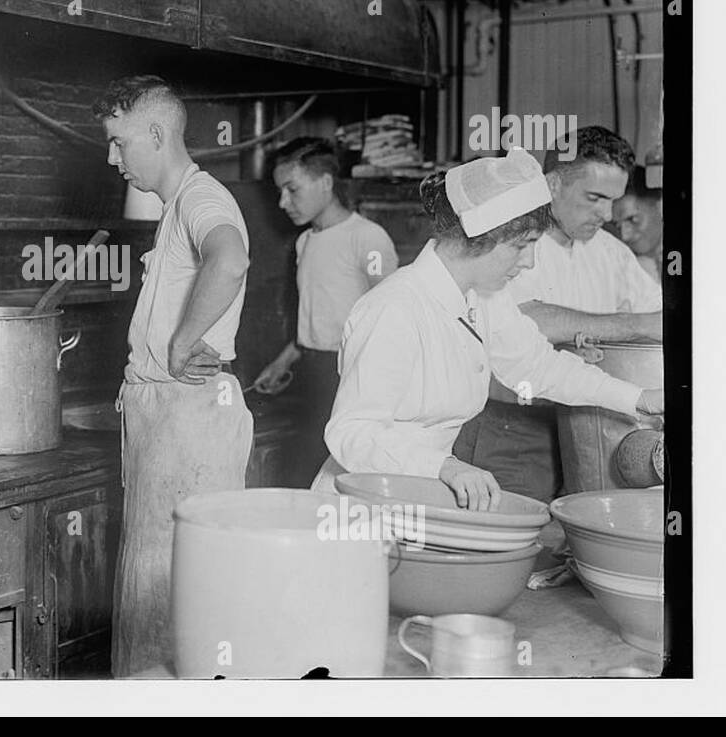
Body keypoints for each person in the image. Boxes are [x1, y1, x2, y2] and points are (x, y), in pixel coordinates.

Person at [315, 148, 663, 509]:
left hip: (419, 495)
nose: (529, 262)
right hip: (359, 502)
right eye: (522, 246)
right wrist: (445, 467)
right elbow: (352, 430)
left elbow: (541, 367)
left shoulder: (484, 298)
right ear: (482, 237)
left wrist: (639, 399)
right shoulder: (394, 308)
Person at [93, 75, 253, 678]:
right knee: (162, 588)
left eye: (118, 142)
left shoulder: (199, 198)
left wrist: (185, 340)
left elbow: (230, 258)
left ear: (156, 134)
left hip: (187, 425)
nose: (113, 159)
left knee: (173, 593)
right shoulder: (178, 204)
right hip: (172, 423)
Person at [454, 127, 662, 501]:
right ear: (552, 185)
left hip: (590, 422)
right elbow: (522, 320)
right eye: (595, 198)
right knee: (515, 538)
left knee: (581, 539)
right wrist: (631, 325)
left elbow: (657, 319)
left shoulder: (611, 253)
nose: (608, 214)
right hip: (515, 426)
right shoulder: (507, 242)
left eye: (614, 200)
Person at [252, 138, 397, 481]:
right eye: (280, 192)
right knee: (306, 474)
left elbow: (392, 321)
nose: (283, 202)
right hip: (312, 376)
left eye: (292, 189)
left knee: (338, 478)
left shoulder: (368, 238)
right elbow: (317, 317)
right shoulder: (305, 242)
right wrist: (281, 362)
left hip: (350, 377)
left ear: (326, 183)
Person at [613, 173, 663, 282]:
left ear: (660, 206)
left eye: (632, 219)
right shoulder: (633, 271)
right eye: (617, 226)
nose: (624, 236)